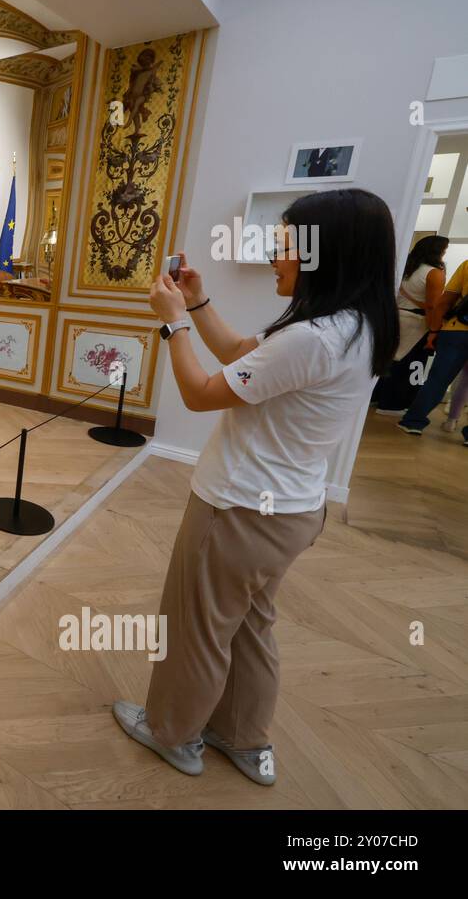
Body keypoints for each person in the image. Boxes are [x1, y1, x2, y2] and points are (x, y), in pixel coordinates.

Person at [114, 189, 398, 785]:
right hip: (292, 513)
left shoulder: (311, 338)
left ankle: (172, 733)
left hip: (237, 510)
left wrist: (170, 326)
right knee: (248, 625)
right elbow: (243, 355)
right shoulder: (355, 328)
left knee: (197, 628)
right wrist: (198, 303)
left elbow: (198, 392)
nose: (275, 254)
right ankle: (243, 737)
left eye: (287, 245)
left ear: (328, 255)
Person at [398, 256, 468, 442]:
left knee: (438, 380)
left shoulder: (467, 265)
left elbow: (445, 301)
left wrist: (434, 330)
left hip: (457, 330)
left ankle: (413, 422)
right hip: (457, 333)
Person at [373, 236, 445, 413]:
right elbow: (432, 305)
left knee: (389, 360)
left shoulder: (406, 268)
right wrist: (434, 330)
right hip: (417, 322)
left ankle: (377, 398)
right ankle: (394, 404)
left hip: (396, 317)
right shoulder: (434, 273)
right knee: (411, 365)